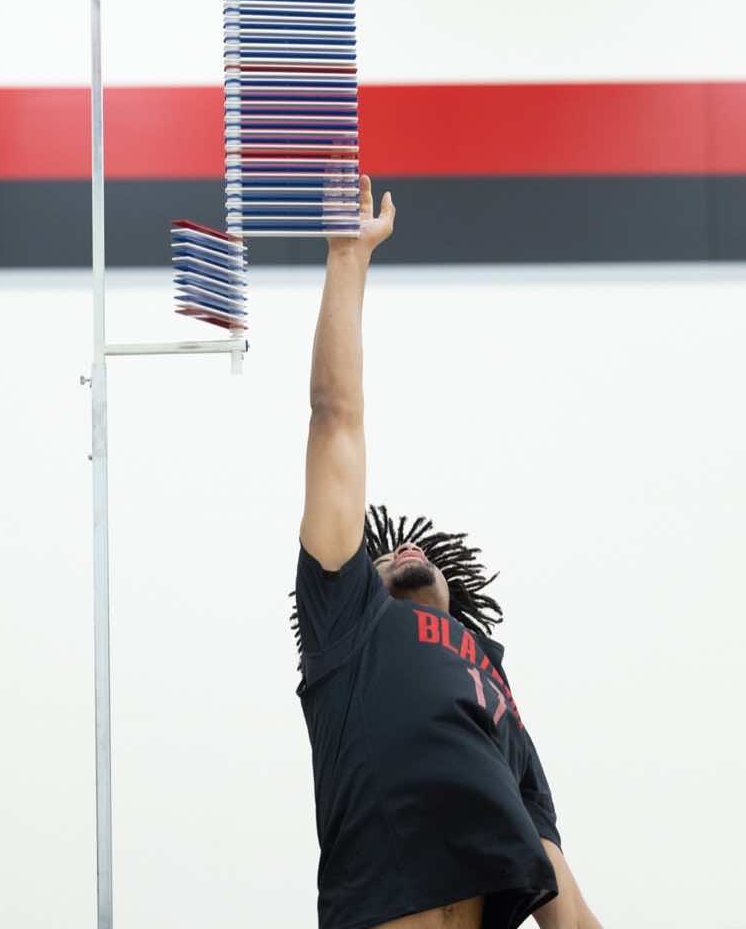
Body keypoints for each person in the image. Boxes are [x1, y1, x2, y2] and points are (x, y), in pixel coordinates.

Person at [292, 176, 603, 929]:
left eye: (417, 544)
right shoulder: (349, 628)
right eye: (382, 549)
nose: (400, 546)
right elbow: (337, 420)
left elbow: (557, 880)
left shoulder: (493, 687)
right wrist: (346, 259)